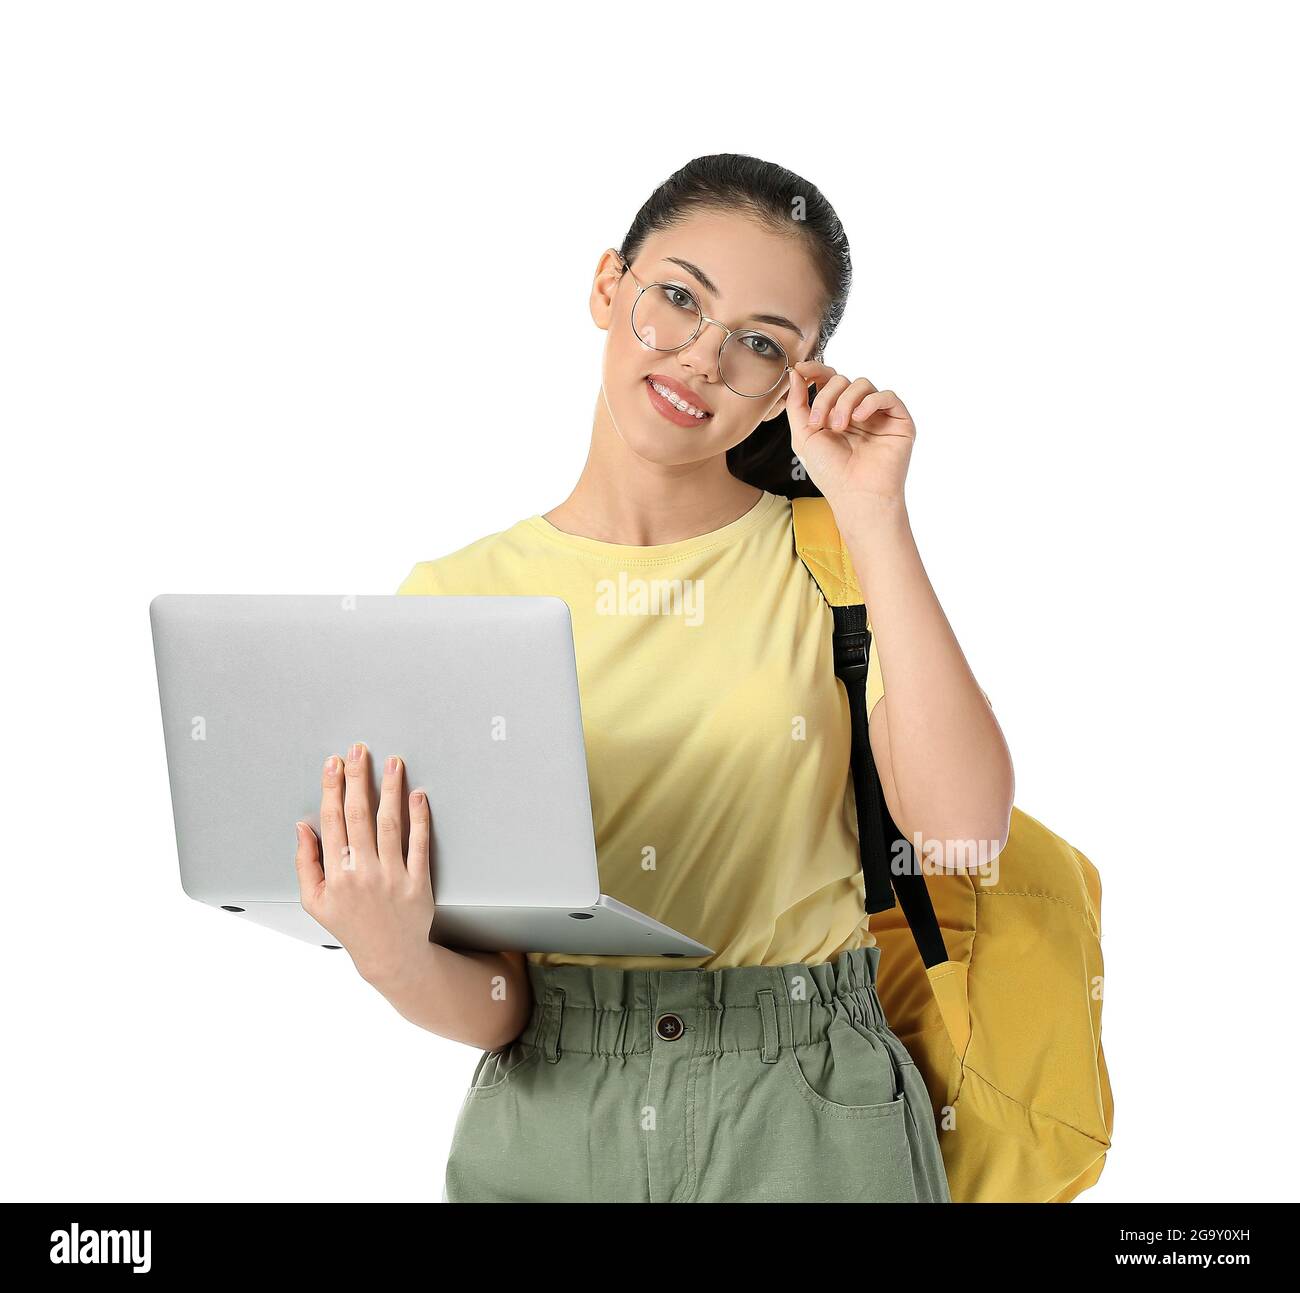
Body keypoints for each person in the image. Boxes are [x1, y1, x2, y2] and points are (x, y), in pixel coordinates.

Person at [292, 153, 1014, 1203]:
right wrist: (391, 951)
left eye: (759, 344)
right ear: (606, 287)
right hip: (551, 1127)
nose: (702, 361)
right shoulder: (457, 598)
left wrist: (873, 513)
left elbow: (963, 834)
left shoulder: (836, 561)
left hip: (812, 1116)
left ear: (792, 386)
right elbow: (504, 1003)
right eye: (677, 298)